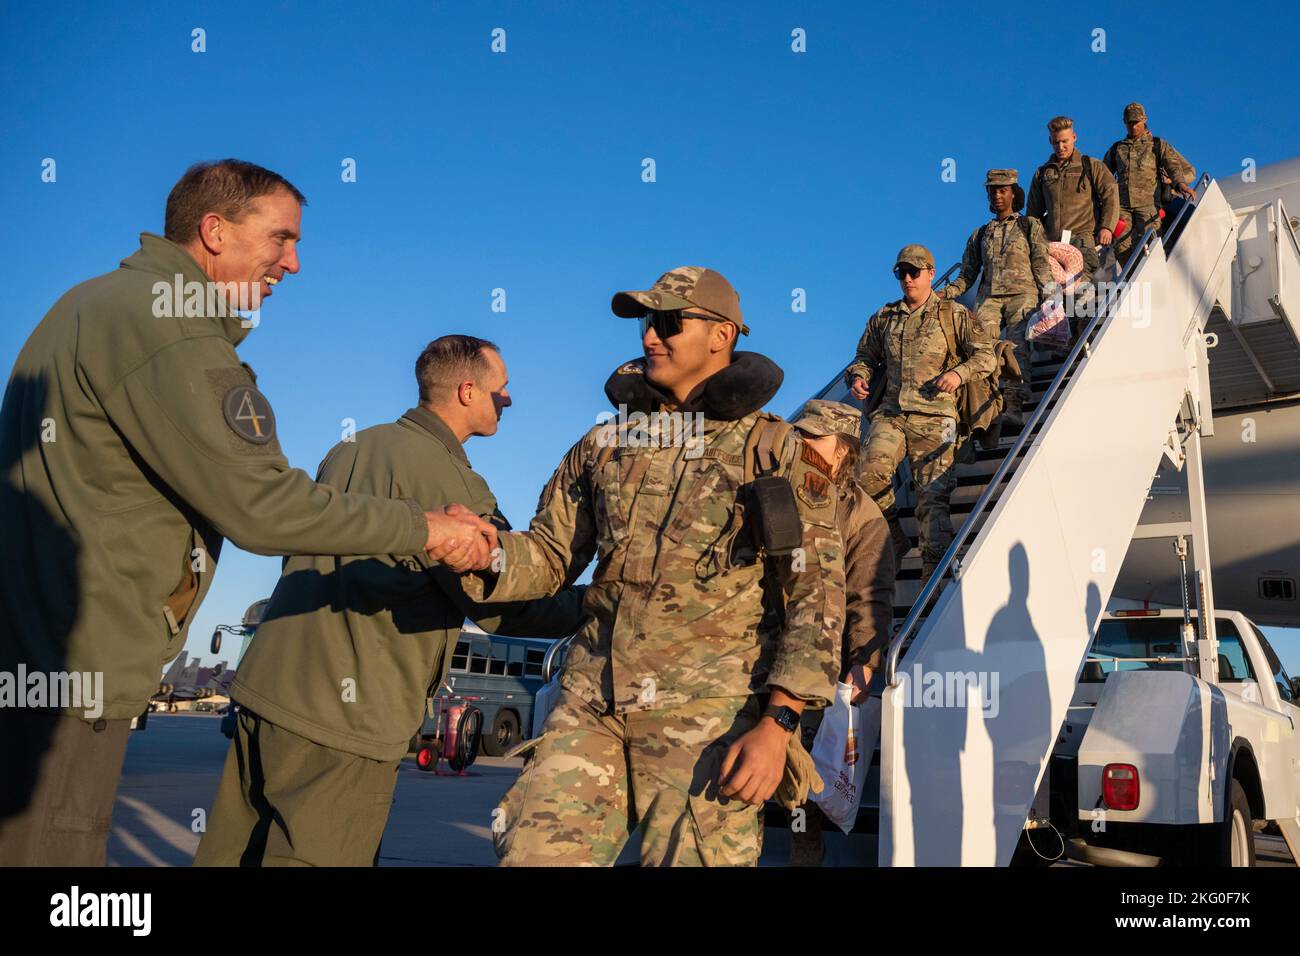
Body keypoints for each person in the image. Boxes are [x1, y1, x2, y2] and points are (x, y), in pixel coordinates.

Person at [0, 160, 495, 867]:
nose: (292, 263)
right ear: (214, 231)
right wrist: (429, 529)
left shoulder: (97, 302)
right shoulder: (168, 329)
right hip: (74, 659)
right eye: (280, 239)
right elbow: (264, 507)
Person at [465, 266, 846, 866]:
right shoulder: (604, 445)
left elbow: (814, 598)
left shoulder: (773, 451)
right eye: (647, 322)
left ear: (721, 335)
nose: (649, 337)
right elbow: (548, 555)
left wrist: (779, 724)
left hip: (706, 721)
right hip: (592, 704)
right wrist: (478, 550)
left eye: (669, 322)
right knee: (533, 854)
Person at [194, 335, 587, 866]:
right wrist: (601, 603)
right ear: (467, 391)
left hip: (267, 692)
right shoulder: (454, 484)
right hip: (347, 717)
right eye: (502, 388)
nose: (509, 400)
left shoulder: (352, 448)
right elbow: (502, 606)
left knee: (231, 855)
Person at [784, 400, 896, 867]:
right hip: (751, 653)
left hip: (815, 667)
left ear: (845, 450)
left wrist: (865, 659)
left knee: (803, 780)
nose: (801, 445)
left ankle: (803, 857)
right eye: (799, 436)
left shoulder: (863, 516)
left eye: (814, 438)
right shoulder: (772, 489)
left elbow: (871, 593)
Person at [846, 245, 995, 584]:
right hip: (893, 412)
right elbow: (865, 356)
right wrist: (859, 377)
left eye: (915, 271)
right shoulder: (883, 318)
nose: (908, 279)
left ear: (931, 272)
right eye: (902, 273)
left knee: (932, 502)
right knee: (866, 473)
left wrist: (958, 375)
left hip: (936, 417)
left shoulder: (953, 314)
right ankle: (894, 538)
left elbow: (986, 357)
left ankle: (935, 581)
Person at [941, 169, 1056, 427]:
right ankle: (986, 410)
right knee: (979, 351)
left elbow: (1041, 264)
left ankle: (1013, 405)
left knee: (1016, 351)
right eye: (992, 190)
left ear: (1013, 193)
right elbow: (966, 275)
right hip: (989, 298)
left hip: (1022, 296)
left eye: (1002, 190)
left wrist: (1051, 298)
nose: (997, 195)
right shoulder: (981, 234)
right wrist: (943, 293)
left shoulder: (1029, 225)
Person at [1103, 102, 1197, 266]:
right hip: (1123, 206)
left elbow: (1173, 166)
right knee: (1121, 245)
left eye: (1136, 122)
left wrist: (1181, 184)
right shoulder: (1117, 149)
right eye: (1129, 123)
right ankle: (1132, 277)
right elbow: (1103, 175)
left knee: (1150, 243)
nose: (1133, 126)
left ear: (1144, 119)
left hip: (1148, 205)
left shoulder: (1157, 145)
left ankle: (1152, 275)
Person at [1026, 116, 1120, 275]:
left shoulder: (1091, 166)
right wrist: (1033, 241)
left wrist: (1106, 227)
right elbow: (1033, 213)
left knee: (1081, 282)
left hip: (1081, 237)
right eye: (1056, 142)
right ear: (1050, 141)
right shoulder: (1042, 174)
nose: (1060, 147)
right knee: (1050, 286)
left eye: (1065, 141)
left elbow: (1111, 195)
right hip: (1052, 242)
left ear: (1074, 138)